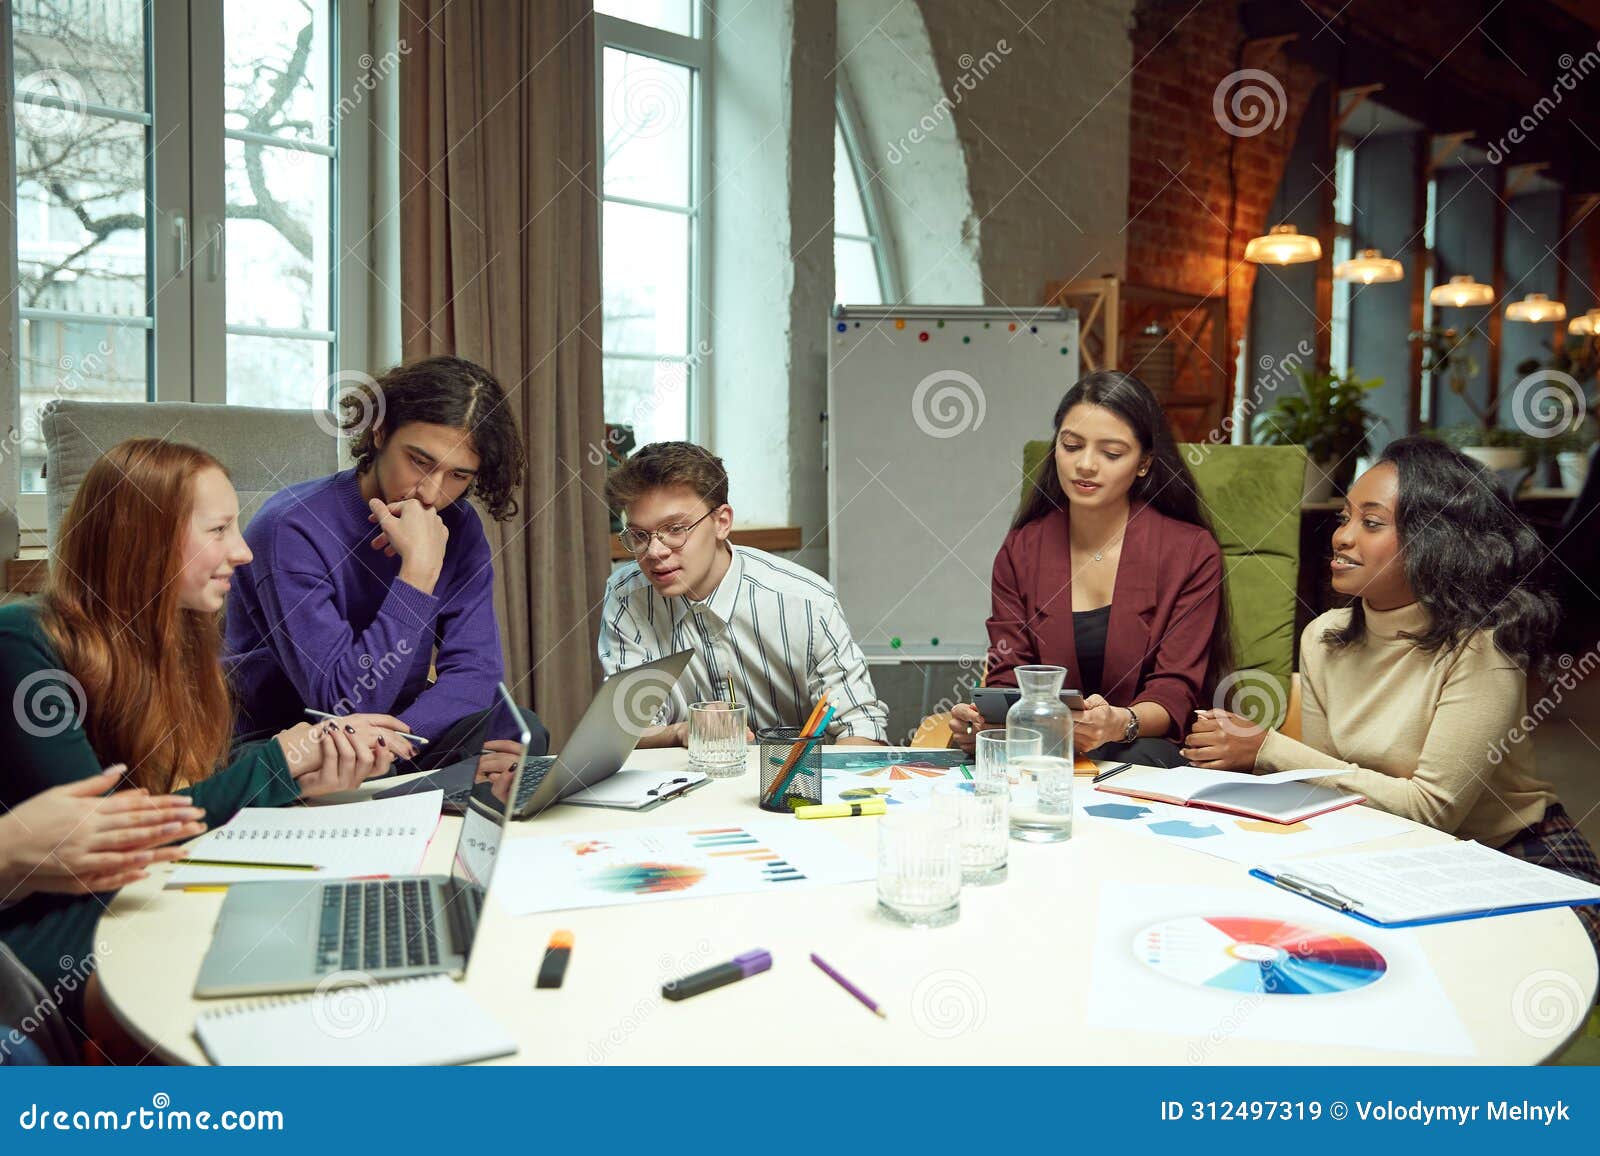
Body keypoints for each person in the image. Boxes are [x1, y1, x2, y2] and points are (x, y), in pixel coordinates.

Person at [0, 439, 402, 1050]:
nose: (242, 551)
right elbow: (115, 837)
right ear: (142, 540)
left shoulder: (177, 646)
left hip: (125, 919)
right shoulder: (22, 643)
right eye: (218, 529)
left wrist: (296, 769)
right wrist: (280, 762)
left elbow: (183, 792)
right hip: (42, 960)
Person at [1183, 437, 1600, 961]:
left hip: (1519, 857)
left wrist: (1266, 748)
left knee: (1496, 972)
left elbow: (1432, 811)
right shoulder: (1324, 637)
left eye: (1372, 523)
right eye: (1344, 517)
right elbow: (1329, 786)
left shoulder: (1483, 645)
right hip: (1396, 851)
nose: (1342, 538)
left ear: (1435, 540)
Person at [225, 356, 548, 766]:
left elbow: (476, 671)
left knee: (522, 733)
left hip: (393, 724)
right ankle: (423, 779)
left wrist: (400, 743)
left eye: (459, 476)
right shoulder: (291, 528)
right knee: (355, 753)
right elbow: (341, 703)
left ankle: (411, 776)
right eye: (419, 461)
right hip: (290, 733)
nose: (432, 494)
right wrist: (418, 574)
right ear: (380, 432)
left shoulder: (458, 526)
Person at [949, 371, 1230, 766]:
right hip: (1043, 748)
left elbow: (1175, 690)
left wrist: (1120, 722)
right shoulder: (1023, 548)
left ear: (1144, 463)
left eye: (1111, 453)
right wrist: (985, 722)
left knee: (1135, 756)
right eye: (1071, 445)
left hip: (1146, 747)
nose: (1085, 465)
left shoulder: (1190, 552)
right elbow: (1008, 674)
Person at [600, 441, 889, 746]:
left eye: (675, 529)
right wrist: (680, 731)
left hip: (795, 786)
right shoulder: (626, 598)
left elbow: (860, 728)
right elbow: (629, 729)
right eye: (639, 535)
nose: (655, 552)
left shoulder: (806, 602)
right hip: (685, 785)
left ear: (721, 522)